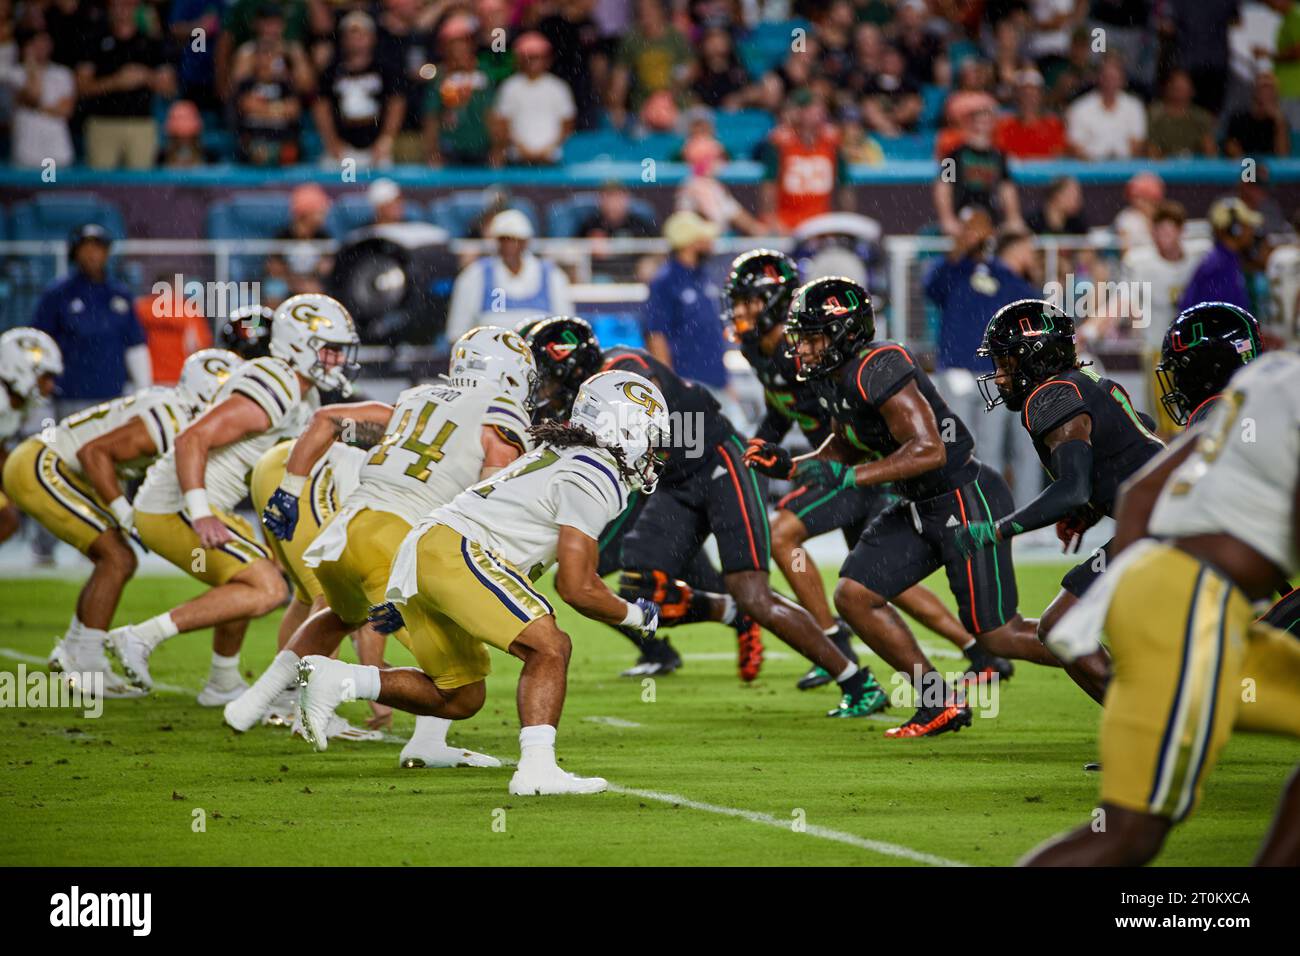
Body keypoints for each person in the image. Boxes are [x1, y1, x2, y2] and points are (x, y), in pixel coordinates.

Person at [305, 369, 672, 795]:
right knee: (550, 646)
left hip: (427, 547)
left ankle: (338, 678)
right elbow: (577, 586)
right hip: (456, 550)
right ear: (622, 427)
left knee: (460, 696)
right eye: (649, 433)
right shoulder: (595, 471)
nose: (653, 449)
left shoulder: (561, 453)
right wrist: (635, 614)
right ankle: (537, 770)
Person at [1022, 350, 1300, 866]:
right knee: (1128, 835)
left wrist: (1133, 587)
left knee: (1127, 832)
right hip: (1199, 608)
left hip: (1173, 592)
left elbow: (1144, 491)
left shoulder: (1268, 377)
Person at [766, 277, 1068, 737]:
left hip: (963, 496)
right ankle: (937, 702)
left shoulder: (880, 364)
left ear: (844, 332)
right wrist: (790, 463)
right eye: (801, 337)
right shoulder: (836, 375)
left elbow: (929, 449)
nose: (802, 349)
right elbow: (844, 446)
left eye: (811, 337)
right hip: (918, 503)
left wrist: (851, 478)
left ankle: (1116, 669)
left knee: (998, 634)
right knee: (854, 594)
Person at [228, 326, 537, 767]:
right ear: (512, 373)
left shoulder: (415, 398)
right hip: (398, 540)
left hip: (343, 530)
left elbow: (327, 419)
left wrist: (290, 489)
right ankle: (352, 688)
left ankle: (254, 700)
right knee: (465, 687)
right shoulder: (500, 414)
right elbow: (485, 500)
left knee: (340, 615)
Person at [729, 250, 1012, 691]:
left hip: (876, 473)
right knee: (872, 583)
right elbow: (791, 416)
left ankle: (833, 647)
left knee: (783, 534)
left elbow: (916, 445)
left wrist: (841, 473)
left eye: (749, 300)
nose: (799, 348)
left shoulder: (863, 364)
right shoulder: (790, 356)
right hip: (853, 468)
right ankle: (974, 653)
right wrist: (776, 452)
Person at [106, 294, 361, 700]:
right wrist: (200, 511)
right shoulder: (275, 385)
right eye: (329, 351)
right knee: (266, 588)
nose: (337, 362)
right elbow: (194, 437)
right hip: (174, 508)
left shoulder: (302, 392)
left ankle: (222, 680)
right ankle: (139, 637)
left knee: (252, 576)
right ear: (298, 346)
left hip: (205, 506)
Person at [965, 298, 1166, 699]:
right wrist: (1090, 510)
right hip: (1170, 518)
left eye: (1007, 364)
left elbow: (1071, 486)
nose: (1000, 377)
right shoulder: (1086, 380)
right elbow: (1136, 435)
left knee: (1059, 626)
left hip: (1163, 525)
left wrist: (997, 530)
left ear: (1035, 359)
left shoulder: (1051, 394)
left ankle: (1145, 732)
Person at [7, 350, 239, 695]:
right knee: (118, 557)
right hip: (44, 463)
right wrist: (124, 513)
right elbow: (94, 453)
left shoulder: (171, 408)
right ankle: (84, 662)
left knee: (115, 558)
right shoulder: (173, 417)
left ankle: (75, 652)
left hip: (51, 465)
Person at [923, 208, 1041, 504]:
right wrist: (958, 251)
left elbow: (1027, 303)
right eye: (966, 228)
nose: (971, 233)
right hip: (956, 372)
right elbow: (930, 289)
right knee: (956, 447)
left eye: (977, 228)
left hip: (994, 373)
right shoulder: (951, 269)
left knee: (991, 449)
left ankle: (994, 510)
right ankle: (958, 511)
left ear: (990, 232)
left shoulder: (1002, 273)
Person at [34, 225, 152, 418]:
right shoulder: (57, 294)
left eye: (98, 248)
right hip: (70, 396)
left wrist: (143, 389)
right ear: (75, 252)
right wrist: (43, 380)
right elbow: (40, 340)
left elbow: (135, 344)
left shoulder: (119, 294)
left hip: (113, 396)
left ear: (107, 253)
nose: (92, 255)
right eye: (86, 248)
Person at [1120, 201, 1204, 429]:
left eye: (1169, 230)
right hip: (1159, 348)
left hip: (1193, 348)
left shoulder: (1199, 256)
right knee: (1165, 420)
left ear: (1180, 231)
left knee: (1194, 417)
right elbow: (1122, 300)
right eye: (1159, 231)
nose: (1163, 237)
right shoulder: (1140, 262)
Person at [445, 210, 573, 342]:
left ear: (526, 242)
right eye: (504, 240)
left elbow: (566, 328)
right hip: (490, 358)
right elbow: (457, 332)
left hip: (539, 359)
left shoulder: (553, 275)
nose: (509, 246)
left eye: (515, 240)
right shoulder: (474, 275)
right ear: (496, 242)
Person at [76, 0, 175, 169]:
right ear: (109, 8)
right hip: (102, 124)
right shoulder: (94, 39)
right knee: (100, 185)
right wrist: (116, 82)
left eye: (128, 5)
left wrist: (145, 76)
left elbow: (169, 88)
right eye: (117, 5)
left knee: (143, 187)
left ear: (136, 8)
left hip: (141, 125)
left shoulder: (151, 42)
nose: (122, 10)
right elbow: (81, 87)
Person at [643, 211, 730, 401]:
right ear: (690, 242)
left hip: (716, 383)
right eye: (704, 238)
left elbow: (711, 332)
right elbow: (656, 335)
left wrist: (726, 382)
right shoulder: (664, 281)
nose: (710, 242)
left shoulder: (703, 275)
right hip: (687, 382)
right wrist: (670, 386)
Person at [313, 10, 404, 167]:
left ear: (373, 37)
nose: (357, 39)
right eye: (352, 34)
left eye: (362, 34)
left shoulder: (385, 69)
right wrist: (331, 141)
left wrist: (386, 139)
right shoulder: (332, 71)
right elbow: (321, 106)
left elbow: (396, 103)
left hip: (376, 145)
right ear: (343, 39)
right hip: (342, 145)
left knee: (383, 187)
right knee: (335, 182)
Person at [0, 328, 63, 546]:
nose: (50, 386)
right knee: (7, 519)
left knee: (9, 518)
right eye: (45, 377)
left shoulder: (16, 404)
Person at [759, 89, 852, 233]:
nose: (818, 113)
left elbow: (845, 183)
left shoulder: (832, 141)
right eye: (812, 108)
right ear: (799, 112)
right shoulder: (780, 142)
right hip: (786, 222)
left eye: (820, 108)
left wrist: (846, 219)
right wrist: (771, 219)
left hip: (821, 224)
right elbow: (769, 183)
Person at [934, 100, 1023, 237]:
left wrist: (1013, 217)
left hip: (991, 217)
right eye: (978, 122)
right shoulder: (953, 154)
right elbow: (943, 186)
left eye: (987, 122)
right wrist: (947, 219)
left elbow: (1006, 187)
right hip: (962, 216)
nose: (982, 127)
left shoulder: (999, 156)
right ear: (969, 124)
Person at [489, 32, 576, 167]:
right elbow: (501, 124)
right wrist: (522, 148)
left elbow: (567, 125)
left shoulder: (558, 87)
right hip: (517, 158)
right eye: (529, 57)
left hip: (551, 159)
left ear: (547, 59)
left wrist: (548, 148)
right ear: (520, 60)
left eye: (538, 57)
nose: (533, 62)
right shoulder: (509, 87)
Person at [2, 29, 75, 169]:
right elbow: (34, 96)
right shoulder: (14, 74)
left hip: (56, 148)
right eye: (36, 43)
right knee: (27, 189)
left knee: (52, 188)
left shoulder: (62, 73)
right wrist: (31, 66)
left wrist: (35, 108)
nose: (41, 47)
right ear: (26, 47)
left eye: (45, 43)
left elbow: (66, 110)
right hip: (27, 148)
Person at [1178, 198, 1261, 314]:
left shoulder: (1226, 260)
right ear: (1235, 229)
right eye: (1247, 225)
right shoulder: (1219, 267)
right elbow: (1217, 320)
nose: (1251, 231)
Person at [135, 275, 214, 386]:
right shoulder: (188, 310)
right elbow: (199, 346)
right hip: (180, 377)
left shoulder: (140, 308)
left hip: (147, 378)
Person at [1064, 55, 1146, 160]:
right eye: (1106, 77)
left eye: (1114, 78)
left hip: (1125, 168)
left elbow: (1138, 145)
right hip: (1089, 171)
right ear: (1098, 78)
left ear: (1123, 80)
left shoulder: (1135, 106)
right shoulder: (1079, 107)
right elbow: (1075, 147)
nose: (1110, 83)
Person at [993, 68, 1067, 160]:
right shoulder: (1004, 125)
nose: (1029, 97)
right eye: (1024, 93)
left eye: (1033, 92)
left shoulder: (1054, 125)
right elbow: (1001, 154)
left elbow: (1058, 154)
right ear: (1016, 95)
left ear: (1041, 95)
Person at [1146, 68, 1216, 159]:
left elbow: (1210, 151)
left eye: (1183, 87)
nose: (1179, 92)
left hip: (1196, 166)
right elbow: (1152, 151)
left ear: (1192, 90)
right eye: (1176, 87)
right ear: (1167, 88)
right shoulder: (1154, 114)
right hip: (1165, 166)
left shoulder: (1201, 116)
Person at [1222, 71, 1291, 158]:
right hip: (1245, 167)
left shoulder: (1280, 121)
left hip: (1272, 168)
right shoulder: (1238, 117)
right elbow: (1231, 149)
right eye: (1263, 88)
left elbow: (1283, 156)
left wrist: (1280, 123)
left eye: (1270, 88)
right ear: (1255, 91)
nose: (1266, 92)